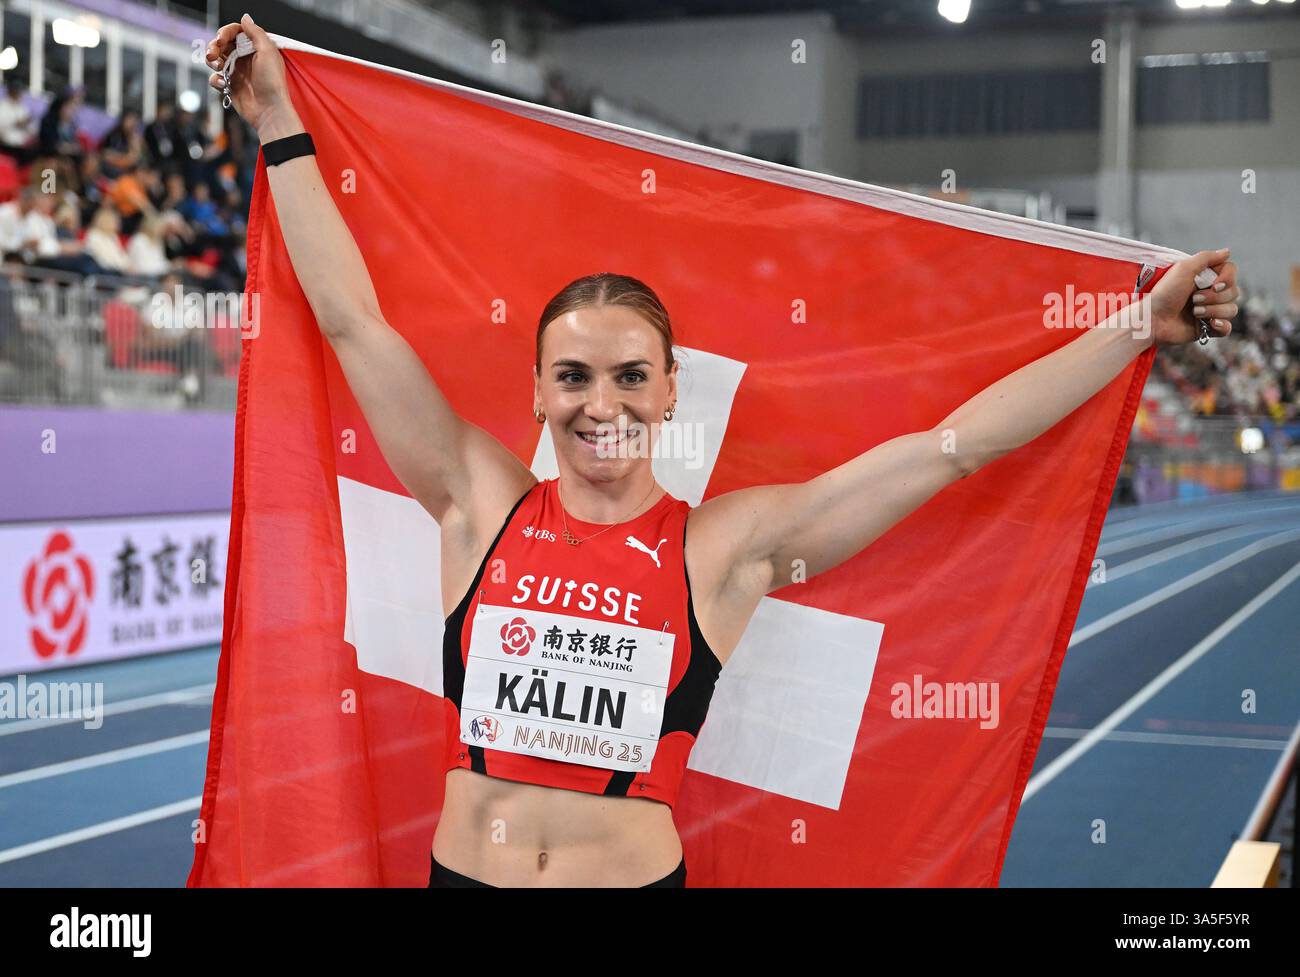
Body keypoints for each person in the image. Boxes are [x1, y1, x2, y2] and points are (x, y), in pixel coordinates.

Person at [206, 15, 1240, 889]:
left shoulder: (723, 550)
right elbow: (353, 324)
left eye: (625, 376)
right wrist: (283, 123)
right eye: (571, 376)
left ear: (666, 392)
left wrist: (1134, 330)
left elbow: (947, 450)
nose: (597, 402)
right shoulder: (477, 499)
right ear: (535, 393)